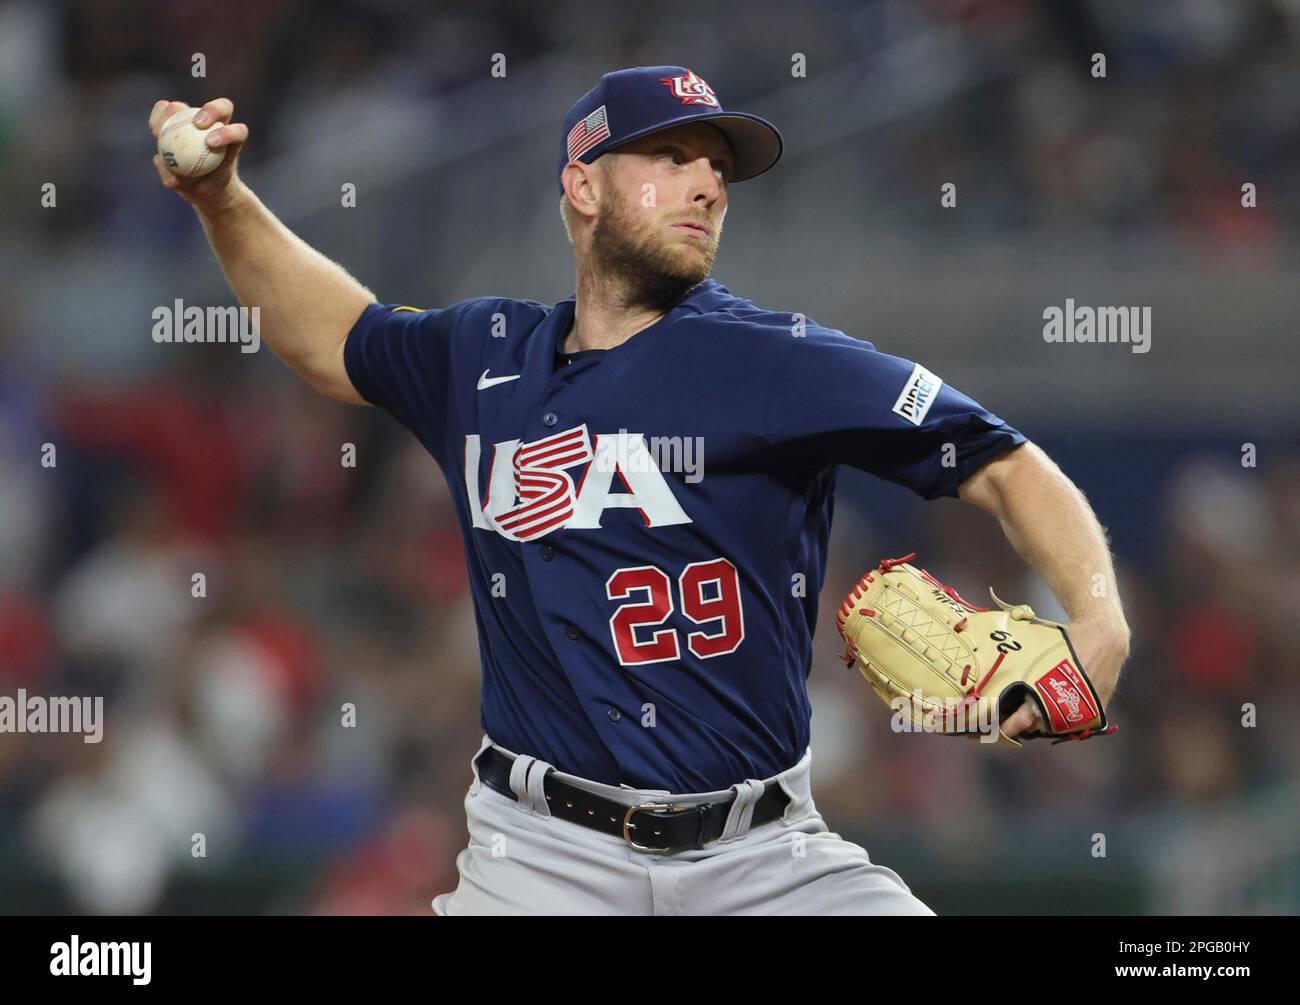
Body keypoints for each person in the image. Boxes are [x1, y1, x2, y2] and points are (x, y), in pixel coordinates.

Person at [149, 65, 1131, 915]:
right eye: (669, 157)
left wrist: (1097, 623)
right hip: (541, 855)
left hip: (762, 855)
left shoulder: (778, 362)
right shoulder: (482, 355)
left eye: (718, 167)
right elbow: (330, 335)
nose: (706, 183)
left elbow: (1005, 464)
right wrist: (224, 202)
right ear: (581, 185)